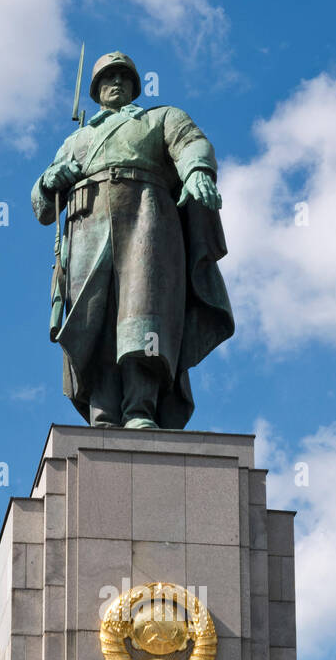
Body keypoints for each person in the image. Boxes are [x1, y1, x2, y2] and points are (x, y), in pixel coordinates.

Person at [31, 52, 234, 430]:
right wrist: (50, 180)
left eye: (124, 76)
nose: (117, 82)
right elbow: (42, 209)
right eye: (108, 77)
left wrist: (197, 172)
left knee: (143, 316)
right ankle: (103, 414)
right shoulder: (76, 140)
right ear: (95, 90)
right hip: (87, 227)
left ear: (135, 85)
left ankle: (140, 409)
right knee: (97, 322)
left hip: (147, 218)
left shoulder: (160, 117)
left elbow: (191, 143)